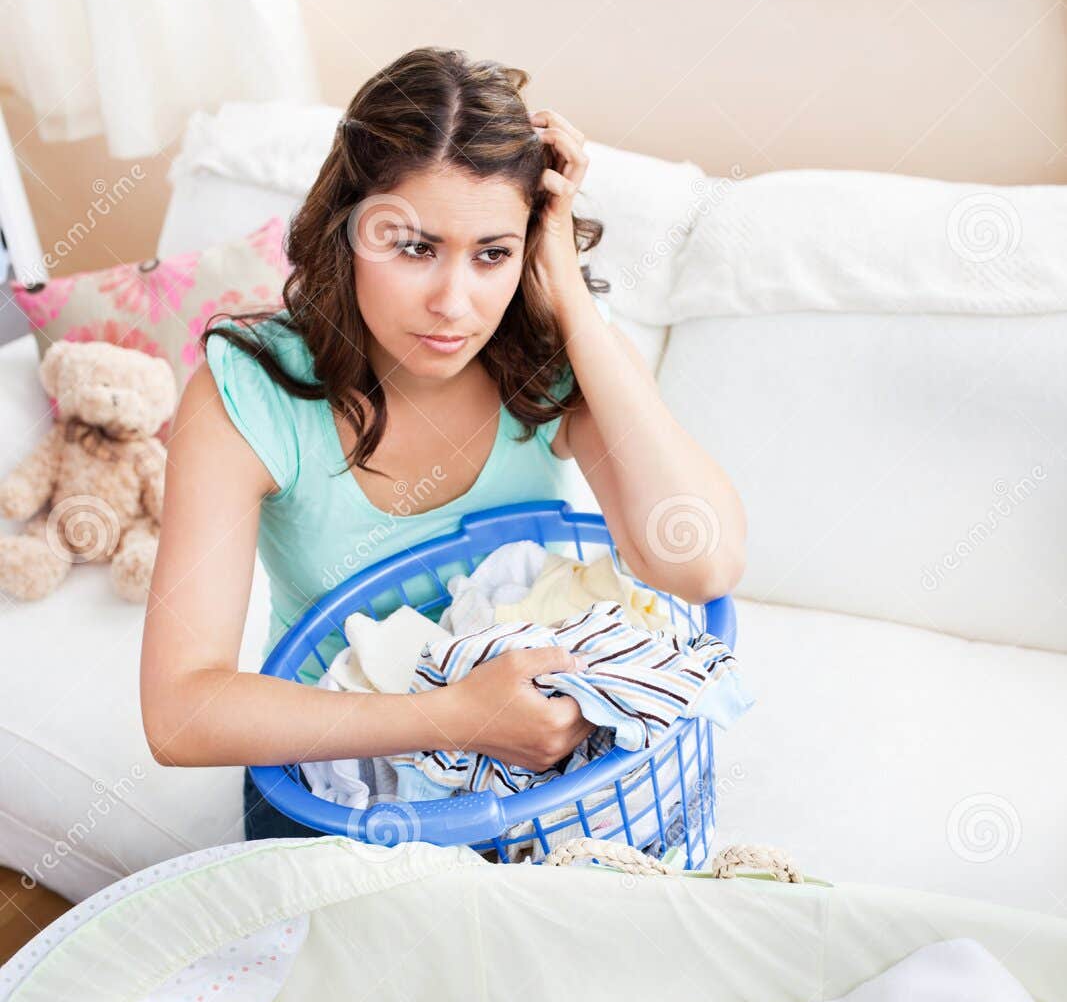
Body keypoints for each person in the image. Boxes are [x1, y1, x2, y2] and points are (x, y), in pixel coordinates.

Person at [140, 47, 746, 839]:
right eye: (415, 247)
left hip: (540, 778)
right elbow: (180, 713)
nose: (454, 304)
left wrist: (562, 282)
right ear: (346, 228)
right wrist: (449, 717)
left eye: (492, 252)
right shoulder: (249, 391)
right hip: (337, 788)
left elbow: (699, 564)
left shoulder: (549, 360)